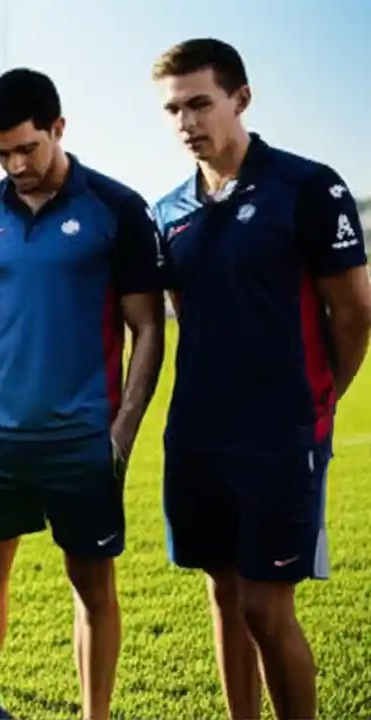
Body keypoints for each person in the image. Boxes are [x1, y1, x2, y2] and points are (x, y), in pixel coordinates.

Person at [150, 38, 371, 720]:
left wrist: (315, 398)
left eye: (200, 104)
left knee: (266, 606)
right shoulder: (169, 211)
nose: (187, 123)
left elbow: (355, 310)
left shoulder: (307, 186)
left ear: (240, 99)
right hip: (197, 435)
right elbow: (187, 313)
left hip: (281, 434)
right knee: (223, 593)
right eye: (173, 110)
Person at [0, 68, 166, 720]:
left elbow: (148, 326)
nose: (16, 164)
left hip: (80, 438)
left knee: (91, 582)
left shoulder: (117, 209)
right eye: (1, 153)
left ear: (58, 129)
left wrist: (121, 432)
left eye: (27, 148)